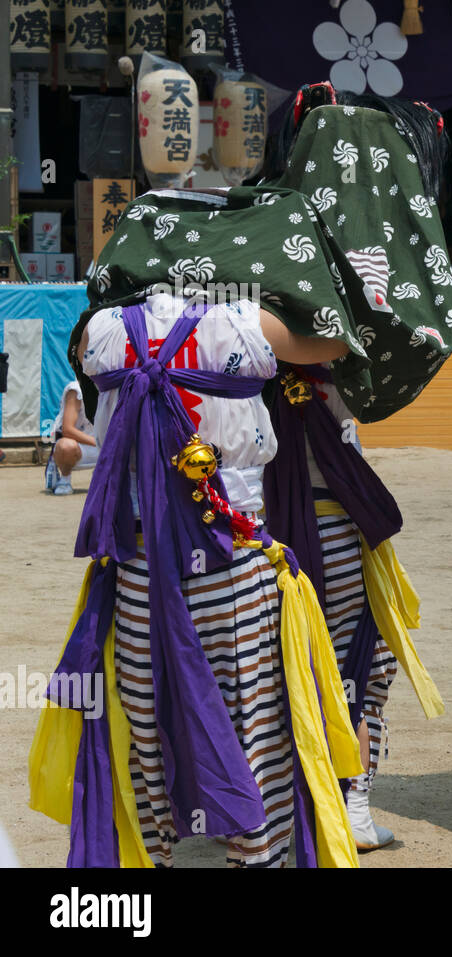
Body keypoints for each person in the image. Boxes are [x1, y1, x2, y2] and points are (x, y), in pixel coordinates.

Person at [30, 289, 364, 868]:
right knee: (254, 741)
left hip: (136, 579)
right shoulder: (244, 319)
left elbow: (84, 368)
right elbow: (342, 340)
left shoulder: (103, 330)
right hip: (232, 574)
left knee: (141, 743)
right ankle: (254, 856)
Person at [259, 84, 452, 851]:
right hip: (257, 505)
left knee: (360, 657)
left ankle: (350, 790)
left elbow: (375, 344)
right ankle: (294, 797)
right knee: (274, 658)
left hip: (333, 500)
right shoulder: (261, 252)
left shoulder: (362, 265)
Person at [45, 380, 97, 495]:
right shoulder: (75, 389)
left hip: (104, 445)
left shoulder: (115, 384)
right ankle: (65, 479)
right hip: (83, 448)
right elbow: (68, 430)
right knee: (65, 446)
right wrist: (99, 442)